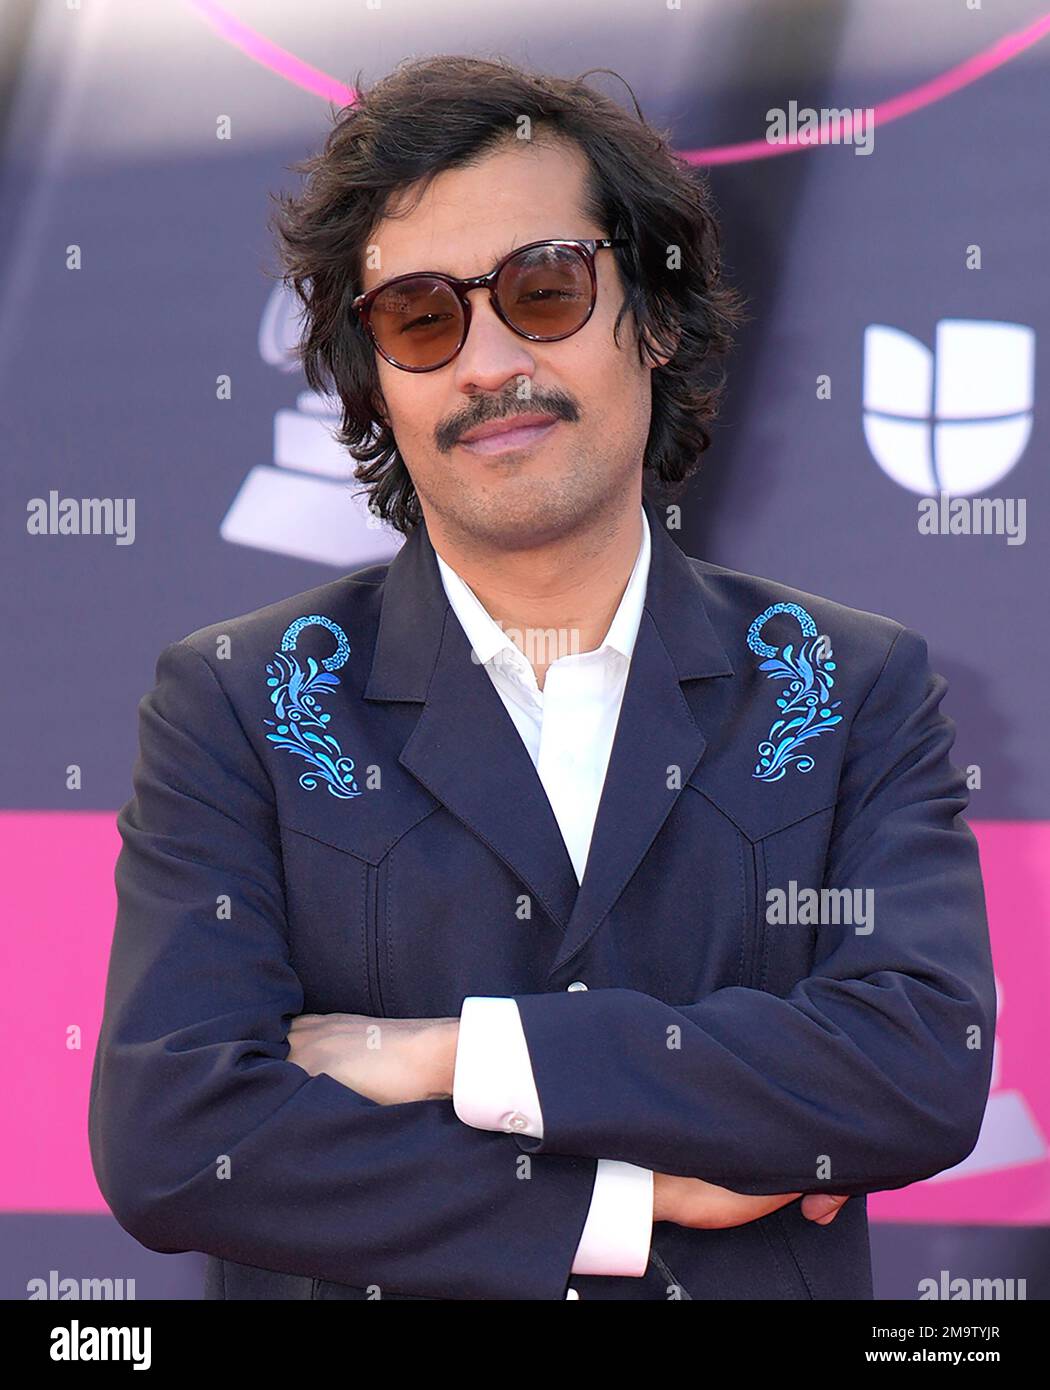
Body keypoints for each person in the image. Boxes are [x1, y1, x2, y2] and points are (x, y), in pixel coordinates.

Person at [88, 55, 996, 1301]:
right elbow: (179, 1139)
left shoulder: (850, 683)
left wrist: (456, 1054)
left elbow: (913, 1067)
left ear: (657, 317)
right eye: (421, 316)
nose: (486, 361)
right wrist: (627, 1197)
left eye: (546, 289)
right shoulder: (241, 702)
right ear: (376, 384)